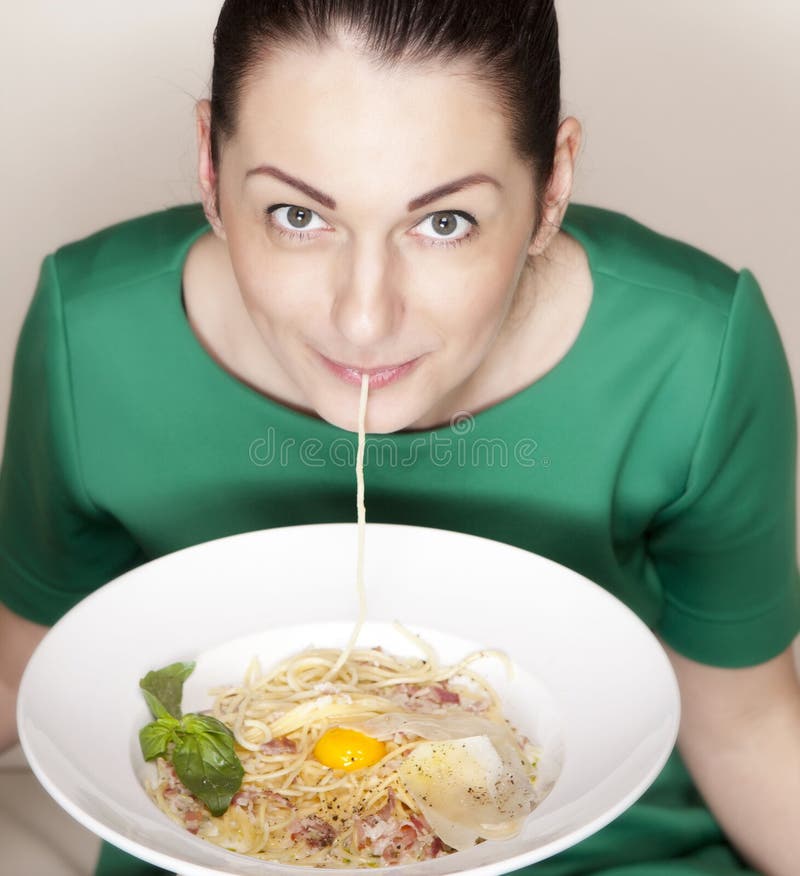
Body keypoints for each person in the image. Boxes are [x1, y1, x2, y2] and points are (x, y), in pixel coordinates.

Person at [1, 0, 798, 874]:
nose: (365, 317)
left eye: (444, 221)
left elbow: (745, 724)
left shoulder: (694, 353)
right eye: (298, 216)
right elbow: (24, 675)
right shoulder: (92, 335)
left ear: (552, 187)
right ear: (207, 162)